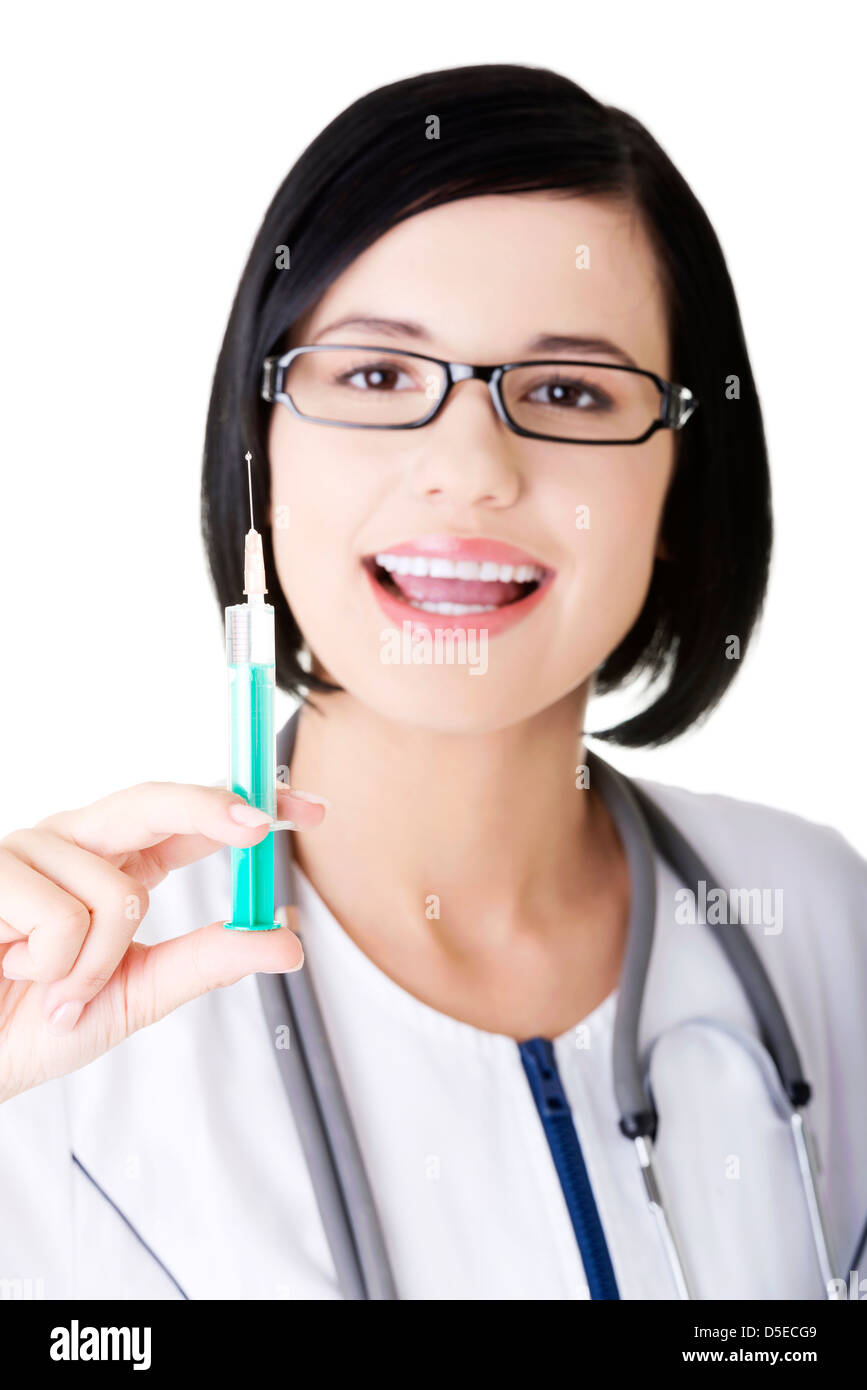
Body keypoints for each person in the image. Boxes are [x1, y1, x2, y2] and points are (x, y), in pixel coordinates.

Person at [1, 64, 865, 1302]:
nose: (470, 468)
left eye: (568, 391)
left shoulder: (823, 921)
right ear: (261, 445)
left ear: (680, 480)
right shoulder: (57, 1015)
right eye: (375, 375)